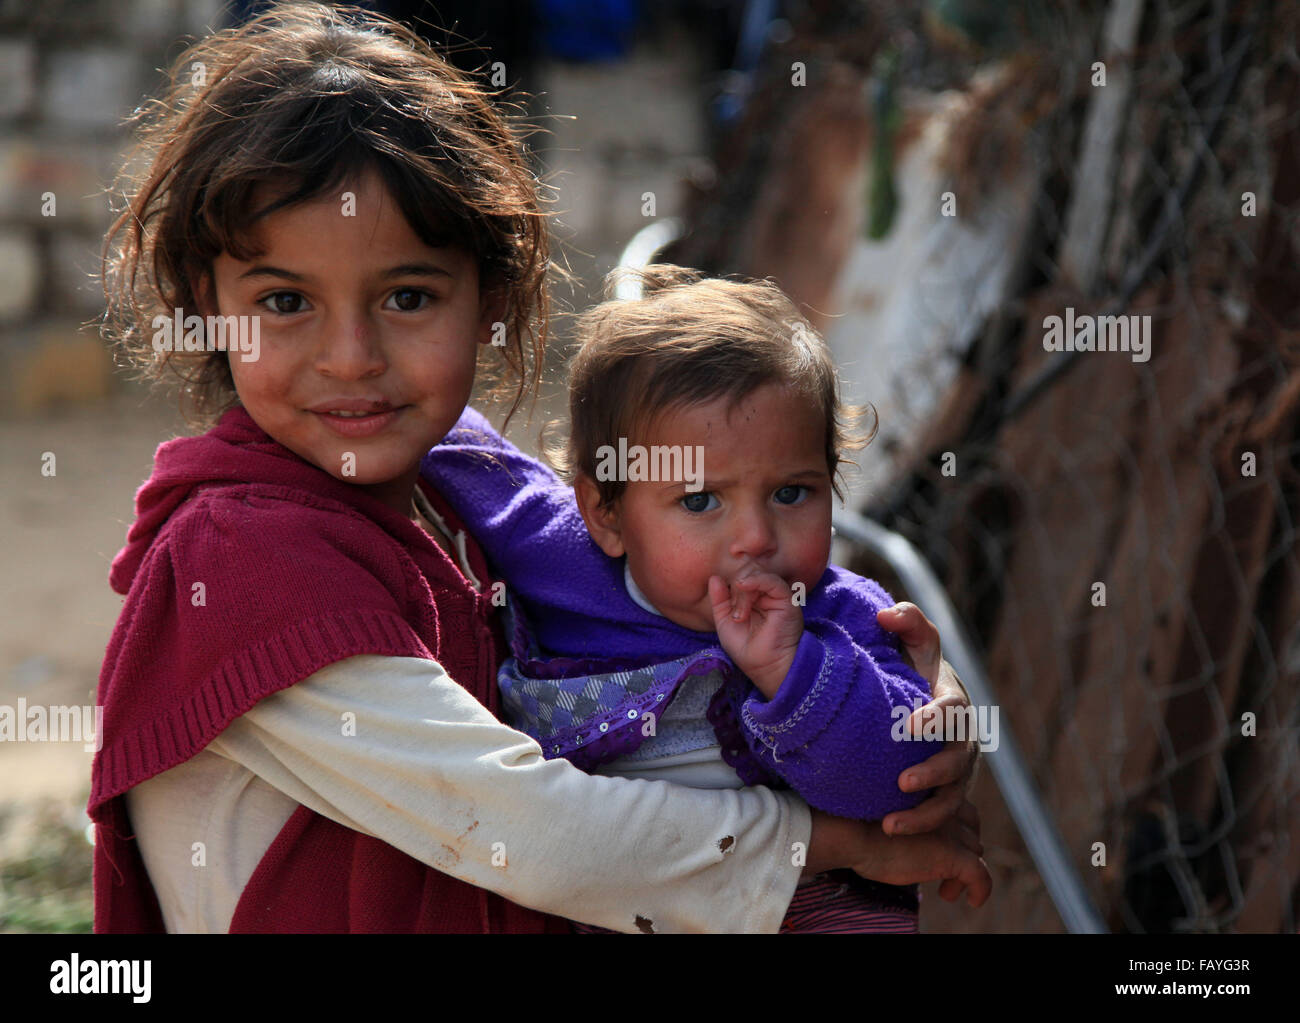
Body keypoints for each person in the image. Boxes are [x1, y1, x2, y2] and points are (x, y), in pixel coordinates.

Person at [90, 1, 988, 933]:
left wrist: (902, 687)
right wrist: (830, 841)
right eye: (285, 301)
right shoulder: (240, 559)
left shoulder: (457, 478)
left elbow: (684, 557)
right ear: (208, 308)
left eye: (406, 296)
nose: (351, 355)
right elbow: (530, 826)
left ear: (490, 299)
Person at [422, 266, 961, 931]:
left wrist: (795, 673)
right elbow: (446, 438)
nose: (757, 538)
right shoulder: (558, 553)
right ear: (606, 514)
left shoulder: (841, 613)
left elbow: (907, 778)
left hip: (812, 905)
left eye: (792, 491)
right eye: (701, 501)